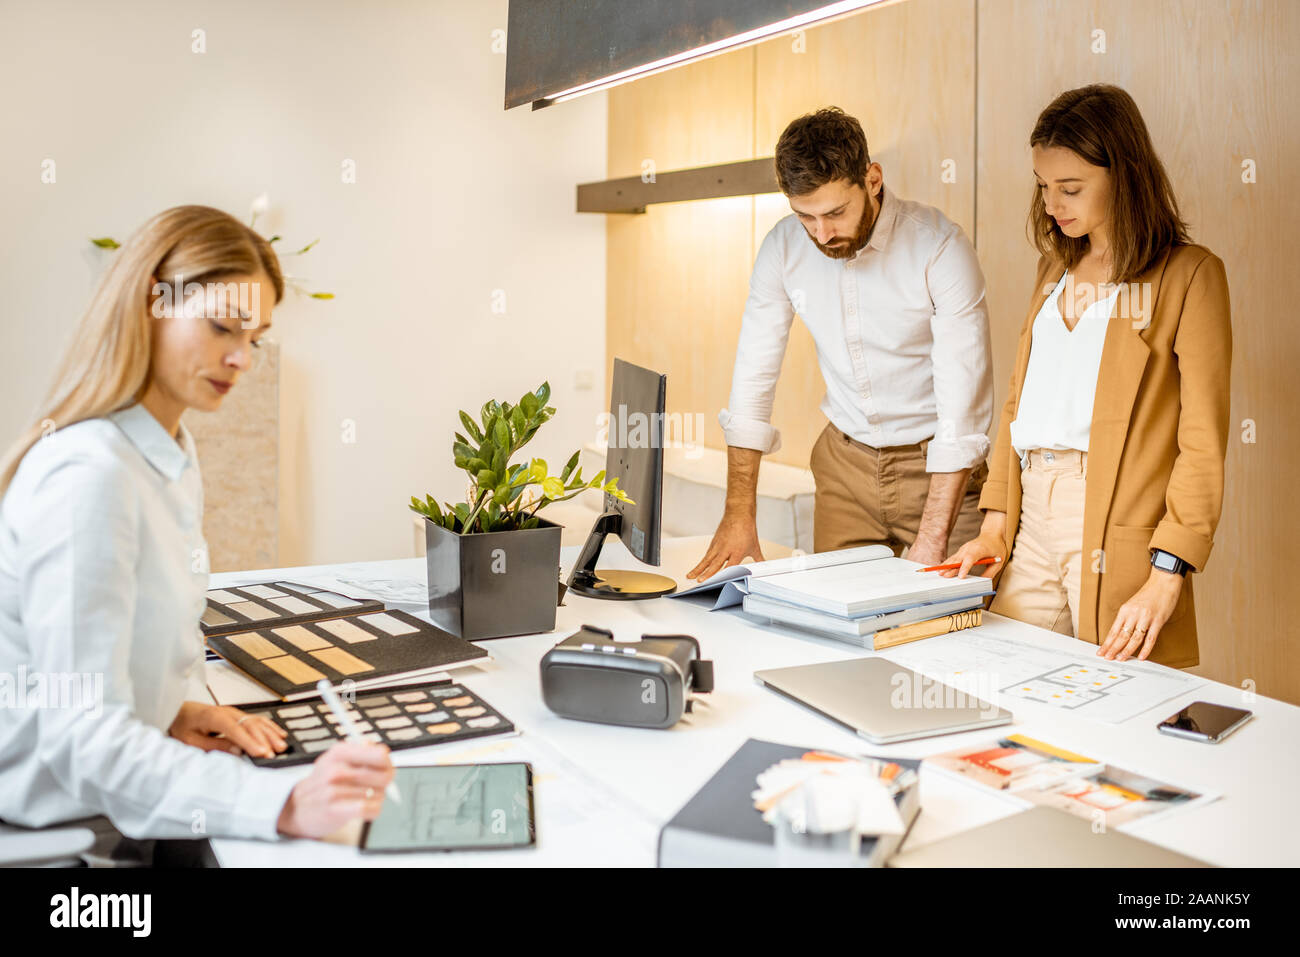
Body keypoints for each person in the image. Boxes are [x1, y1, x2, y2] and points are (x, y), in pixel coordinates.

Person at [0, 205, 393, 860]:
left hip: (120, 810)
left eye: (255, 336)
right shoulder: (88, 475)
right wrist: (286, 803)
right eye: (221, 326)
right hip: (64, 841)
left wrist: (175, 708)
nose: (242, 358)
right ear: (150, 303)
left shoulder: (166, 449)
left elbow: (122, 647)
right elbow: (84, 738)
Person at [944, 84, 1232, 666]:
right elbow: (1017, 407)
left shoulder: (1190, 275)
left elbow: (1201, 442)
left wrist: (1168, 573)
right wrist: (996, 526)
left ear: (1123, 175)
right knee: (1003, 681)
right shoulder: (1054, 268)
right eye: (1044, 186)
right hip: (1031, 516)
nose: (1053, 203)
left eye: (1071, 188)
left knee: (1109, 707)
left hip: (1113, 518)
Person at [688, 107, 994, 581]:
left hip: (936, 470)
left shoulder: (939, 248)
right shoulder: (784, 248)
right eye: (805, 216)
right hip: (843, 470)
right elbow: (753, 379)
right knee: (836, 626)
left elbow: (964, 407)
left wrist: (934, 537)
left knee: (953, 623)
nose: (822, 234)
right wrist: (738, 514)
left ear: (872, 179)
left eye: (835, 212)